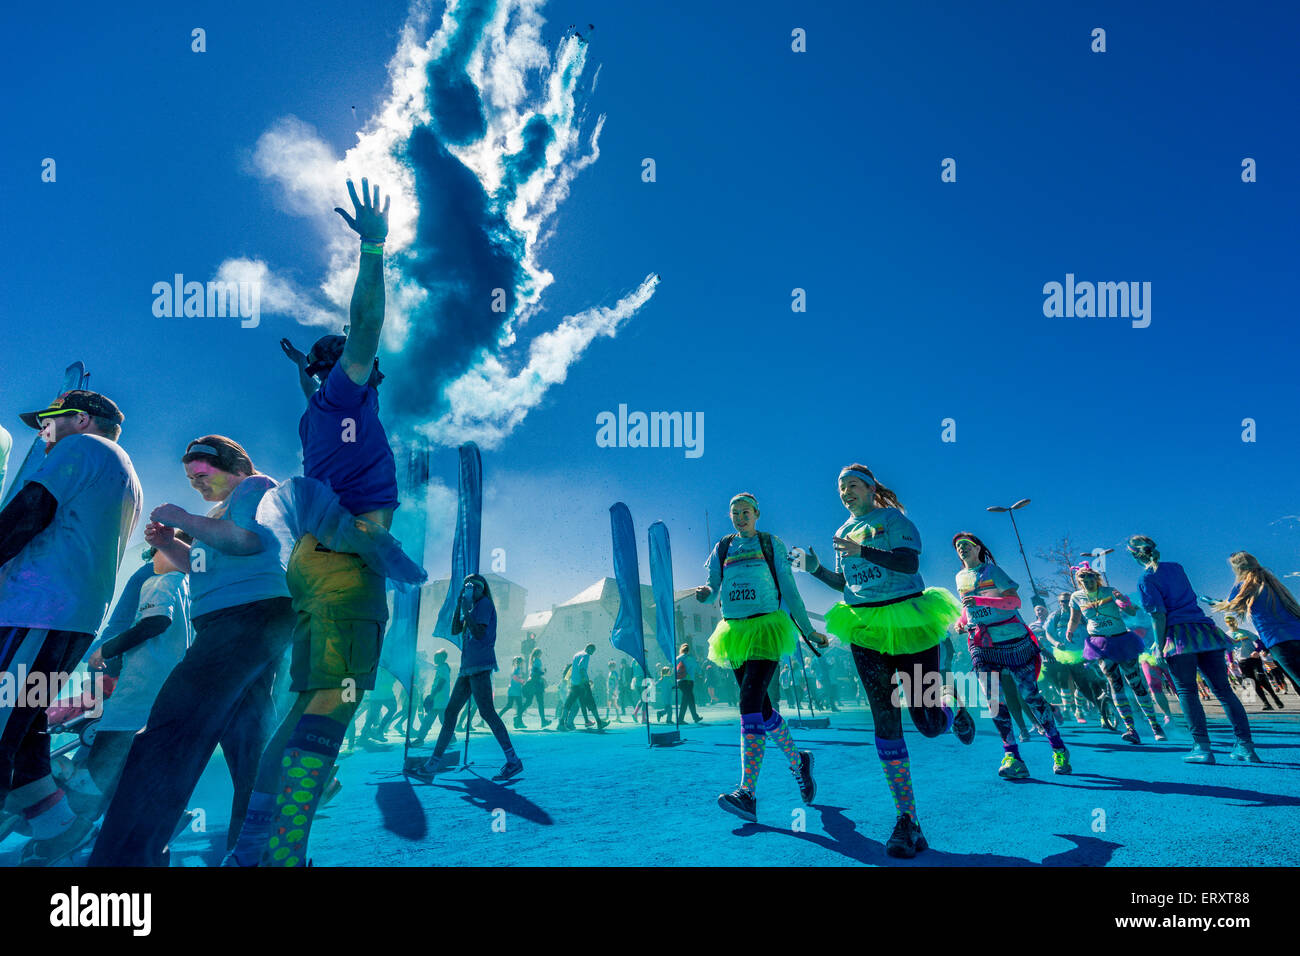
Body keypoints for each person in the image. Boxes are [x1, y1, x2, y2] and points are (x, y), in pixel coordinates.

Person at [90, 436, 293, 867]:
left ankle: (126, 858)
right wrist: (168, 543)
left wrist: (183, 518)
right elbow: (203, 565)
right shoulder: (219, 513)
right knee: (248, 741)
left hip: (243, 618)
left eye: (202, 474)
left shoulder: (255, 487)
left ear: (234, 465)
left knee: (171, 730)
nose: (196, 484)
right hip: (245, 622)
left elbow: (245, 542)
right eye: (189, 479)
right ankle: (256, 849)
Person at [0, 390, 141, 865]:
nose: (41, 432)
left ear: (80, 419)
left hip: (36, 611)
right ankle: (58, 826)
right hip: (69, 620)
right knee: (24, 727)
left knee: (2, 726)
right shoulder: (124, 472)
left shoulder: (82, 449)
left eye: (47, 421)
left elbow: (32, 509)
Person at [800, 466, 967, 858]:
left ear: (871, 488)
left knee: (926, 724)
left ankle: (951, 705)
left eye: (852, 485)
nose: (845, 493)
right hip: (866, 628)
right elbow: (847, 584)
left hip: (908, 620)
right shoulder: (844, 532)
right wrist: (816, 570)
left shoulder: (893, 519)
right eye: (841, 488)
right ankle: (907, 820)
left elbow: (909, 565)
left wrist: (863, 551)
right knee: (885, 719)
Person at [699, 492, 826, 824]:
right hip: (734, 633)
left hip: (767, 629)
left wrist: (809, 630)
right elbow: (713, 587)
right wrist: (705, 593)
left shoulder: (771, 544)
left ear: (757, 514)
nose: (740, 518)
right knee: (762, 709)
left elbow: (790, 588)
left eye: (745, 512)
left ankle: (747, 794)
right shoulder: (723, 548)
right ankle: (799, 761)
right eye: (735, 513)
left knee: (749, 700)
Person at [62, 545, 192, 828]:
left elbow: (139, 623)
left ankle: (75, 822)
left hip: (126, 673)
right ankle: (153, 815)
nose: (149, 557)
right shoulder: (189, 581)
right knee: (121, 750)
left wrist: (106, 654)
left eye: (152, 552)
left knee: (103, 748)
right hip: (162, 684)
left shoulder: (155, 575)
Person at [952, 533, 1072, 778]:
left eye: (966, 545)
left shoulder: (992, 572)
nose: (961, 549)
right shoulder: (960, 577)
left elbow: (1013, 602)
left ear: (978, 549)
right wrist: (961, 622)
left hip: (1013, 641)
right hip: (981, 644)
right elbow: (969, 608)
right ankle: (1012, 756)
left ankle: (1058, 747)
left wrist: (980, 599)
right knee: (993, 700)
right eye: (957, 547)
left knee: (1030, 696)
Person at [1129, 536, 1257, 764]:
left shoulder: (1145, 579)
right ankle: (1246, 746)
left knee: (1187, 692)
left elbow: (1158, 614)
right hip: (1204, 631)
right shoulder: (1177, 567)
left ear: (1134, 555)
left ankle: (1202, 748)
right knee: (1224, 691)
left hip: (1178, 636)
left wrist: (1158, 645)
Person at [412, 575, 522, 781]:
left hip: (480, 666)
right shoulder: (471, 606)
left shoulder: (485, 604)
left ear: (483, 589)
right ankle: (434, 762)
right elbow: (455, 629)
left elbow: (479, 633)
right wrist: (459, 605)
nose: (471, 589)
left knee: (487, 713)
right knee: (452, 712)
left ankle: (513, 760)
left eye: (474, 586)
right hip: (467, 668)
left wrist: (466, 610)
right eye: (467, 587)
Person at [1065, 563, 1166, 744]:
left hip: (1122, 641)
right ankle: (1131, 728)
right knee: (1115, 684)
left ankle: (1155, 725)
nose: (1087, 581)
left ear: (1096, 579)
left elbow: (1130, 611)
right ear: (1078, 581)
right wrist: (1069, 630)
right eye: (1083, 578)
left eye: (1090, 577)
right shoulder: (1076, 597)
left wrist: (1124, 601)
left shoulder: (1110, 591)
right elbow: (1075, 618)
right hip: (1100, 643)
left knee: (1135, 683)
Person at [1214, 552, 1300, 698]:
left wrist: (1212, 602)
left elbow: (1229, 606)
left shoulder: (1243, 586)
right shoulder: (1273, 583)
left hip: (1278, 640)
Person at [1223, 614, 1282, 710]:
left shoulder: (1245, 632)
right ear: (1226, 624)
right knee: (1253, 682)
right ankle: (1266, 703)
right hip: (1242, 662)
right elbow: (1229, 650)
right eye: (1228, 622)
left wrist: (1257, 651)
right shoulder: (1227, 636)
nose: (1231, 623)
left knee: (1260, 678)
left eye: (1232, 621)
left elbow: (1260, 643)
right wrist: (1231, 661)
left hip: (1254, 659)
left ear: (1235, 622)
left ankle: (1275, 698)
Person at [559, 644, 607, 731]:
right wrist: (585, 681)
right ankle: (599, 723)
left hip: (574, 684)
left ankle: (561, 723)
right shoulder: (586, 655)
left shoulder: (576, 655)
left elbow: (575, 669)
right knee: (591, 702)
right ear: (589, 648)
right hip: (582, 684)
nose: (592, 653)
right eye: (592, 651)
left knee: (568, 703)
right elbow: (581, 668)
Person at [520, 648, 550, 727]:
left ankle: (518, 717)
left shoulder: (533, 660)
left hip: (533, 683)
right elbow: (537, 671)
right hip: (537, 683)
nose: (541, 655)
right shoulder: (537, 660)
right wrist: (544, 672)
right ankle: (543, 721)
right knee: (540, 703)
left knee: (529, 702)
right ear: (538, 654)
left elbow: (534, 671)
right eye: (540, 653)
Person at [675, 644, 704, 724]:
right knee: (687, 699)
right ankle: (681, 719)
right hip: (689, 681)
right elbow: (698, 669)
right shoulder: (691, 658)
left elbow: (674, 668)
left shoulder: (678, 658)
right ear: (688, 650)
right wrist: (701, 673)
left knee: (689, 698)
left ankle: (695, 717)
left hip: (680, 681)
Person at [500, 656, 529, 729]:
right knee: (519, 706)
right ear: (520, 662)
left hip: (513, 690)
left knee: (510, 705)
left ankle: (517, 721)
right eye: (522, 662)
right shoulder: (517, 669)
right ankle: (518, 721)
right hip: (515, 691)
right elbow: (515, 677)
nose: (523, 664)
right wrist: (522, 681)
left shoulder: (516, 669)